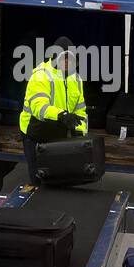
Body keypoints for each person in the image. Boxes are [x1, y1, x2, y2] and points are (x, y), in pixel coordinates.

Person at [19, 36, 88, 178]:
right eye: (64, 57)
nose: (67, 62)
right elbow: (39, 107)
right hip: (35, 133)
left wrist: (80, 132)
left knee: (57, 177)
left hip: (57, 134)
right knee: (40, 177)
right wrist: (61, 115)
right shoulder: (41, 75)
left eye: (71, 57)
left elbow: (80, 110)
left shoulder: (76, 79)